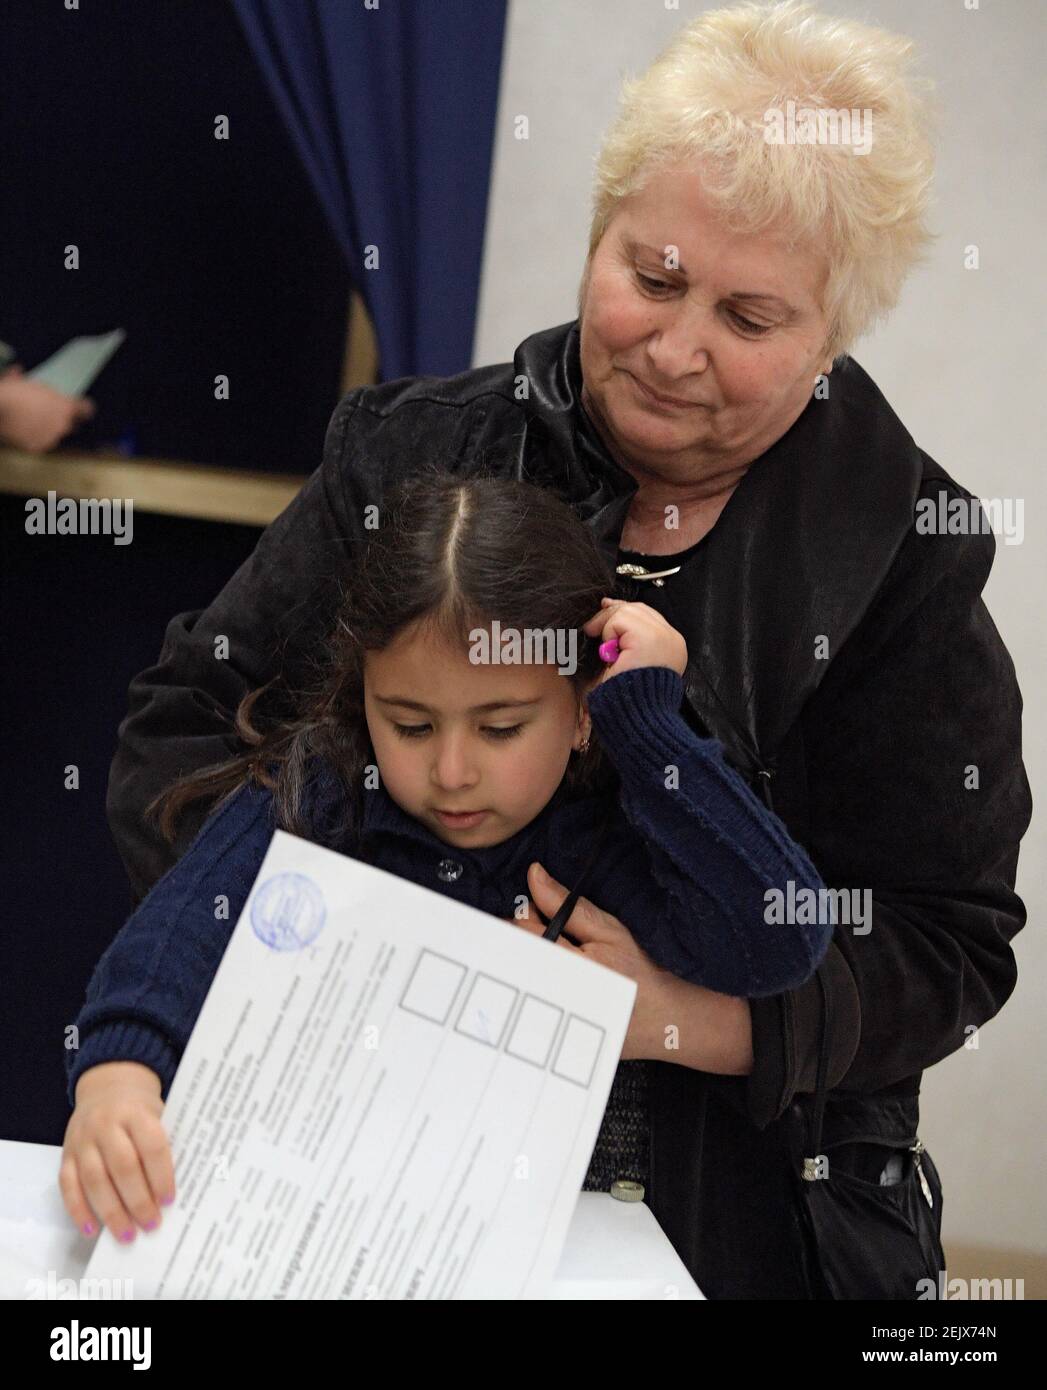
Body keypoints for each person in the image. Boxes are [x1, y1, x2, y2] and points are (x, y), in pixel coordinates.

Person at [100, 0, 1032, 1298]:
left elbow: (946, 941)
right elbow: (183, 738)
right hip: (360, 1148)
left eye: (748, 317)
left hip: (731, 1214)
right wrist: (376, 937)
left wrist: (679, 1016)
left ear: (830, 335)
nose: (674, 345)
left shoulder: (899, 556)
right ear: (597, 233)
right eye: (648, 276)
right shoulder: (410, 452)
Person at [61, 472, 834, 1256]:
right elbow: (174, 938)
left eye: (500, 728)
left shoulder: (600, 842)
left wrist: (645, 721)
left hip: (535, 1246)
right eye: (409, 724)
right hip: (308, 1223)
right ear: (362, 691)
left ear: (578, 710)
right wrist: (116, 1078)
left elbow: (776, 938)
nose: (452, 772)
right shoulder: (319, 799)